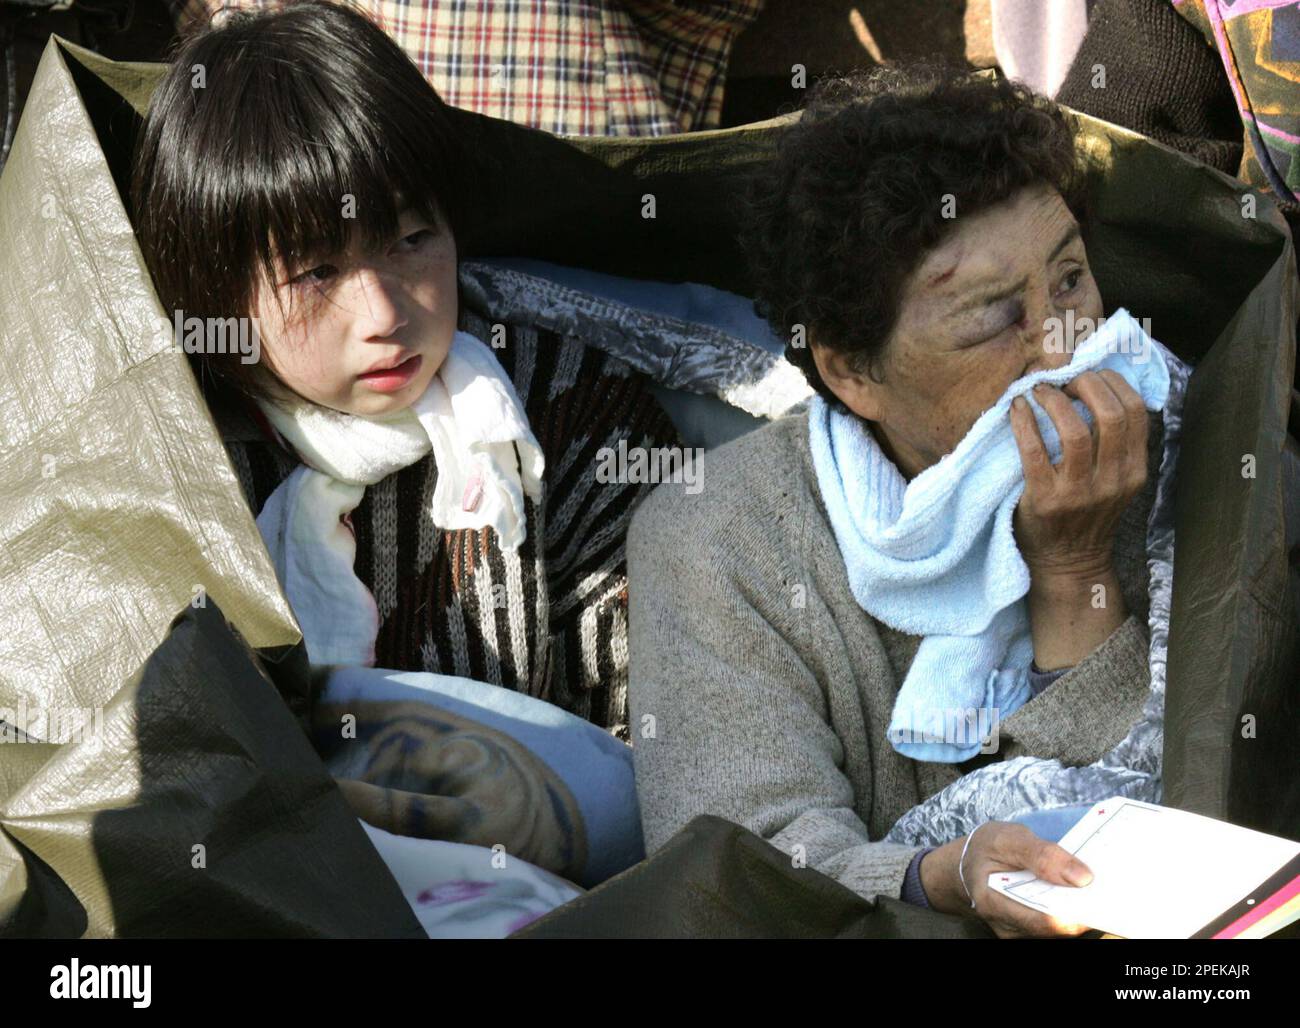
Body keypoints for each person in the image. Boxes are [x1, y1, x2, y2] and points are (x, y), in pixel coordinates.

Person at [130, 0, 680, 925]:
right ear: (213, 287)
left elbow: (662, 740)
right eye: (315, 273)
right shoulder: (169, 453)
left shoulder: (575, 411)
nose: (384, 311)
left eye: (411, 239)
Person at [627, 65, 1167, 939]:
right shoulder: (716, 537)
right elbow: (745, 873)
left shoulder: (1157, 451)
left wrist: (1074, 574)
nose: (1065, 341)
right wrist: (941, 876)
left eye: (1069, 280)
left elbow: (1170, 814)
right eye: (996, 318)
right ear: (854, 371)